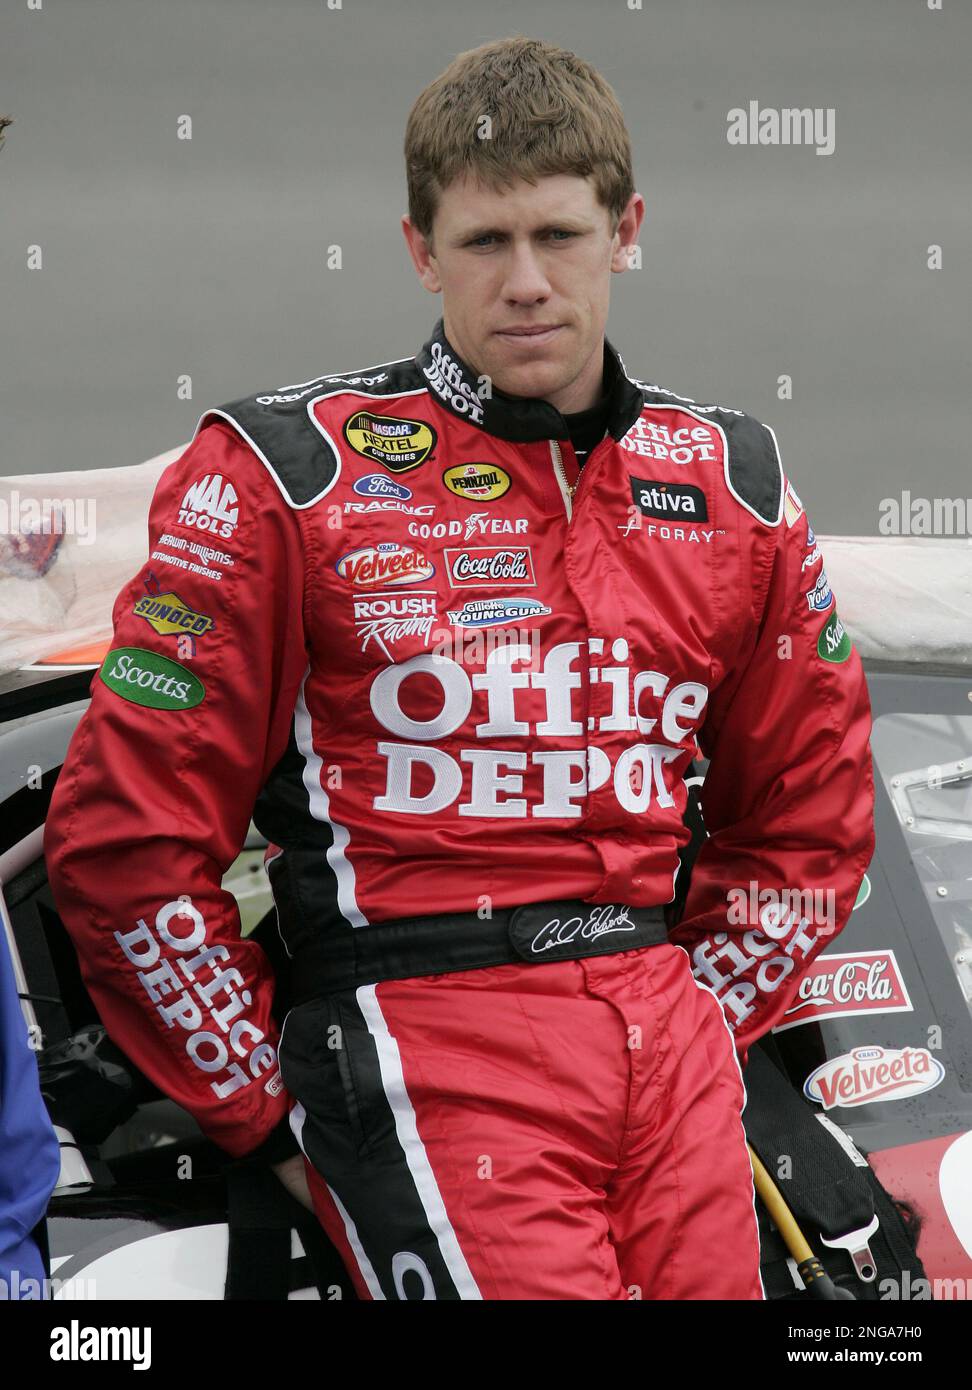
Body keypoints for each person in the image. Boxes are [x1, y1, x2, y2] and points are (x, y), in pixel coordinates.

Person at [45, 36, 874, 1300]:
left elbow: (812, 824)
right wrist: (268, 1116)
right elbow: (122, 846)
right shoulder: (287, 475)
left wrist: (701, 1014)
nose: (528, 282)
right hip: (424, 1040)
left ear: (626, 229)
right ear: (420, 250)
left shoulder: (734, 485)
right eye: (486, 243)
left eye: (560, 235)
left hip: (674, 1049)